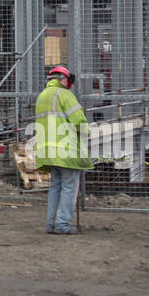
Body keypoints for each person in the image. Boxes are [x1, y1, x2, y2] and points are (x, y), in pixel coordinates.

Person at [33, 65, 93, 235]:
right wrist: (86, 133)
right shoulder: (65, 94)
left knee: (56, 187)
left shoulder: (42, 96)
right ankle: (62, 224)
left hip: (48, 151)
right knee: (69, 188)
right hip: (66, 150)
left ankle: (51, 224)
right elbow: (79, 120)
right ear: (63, 79)